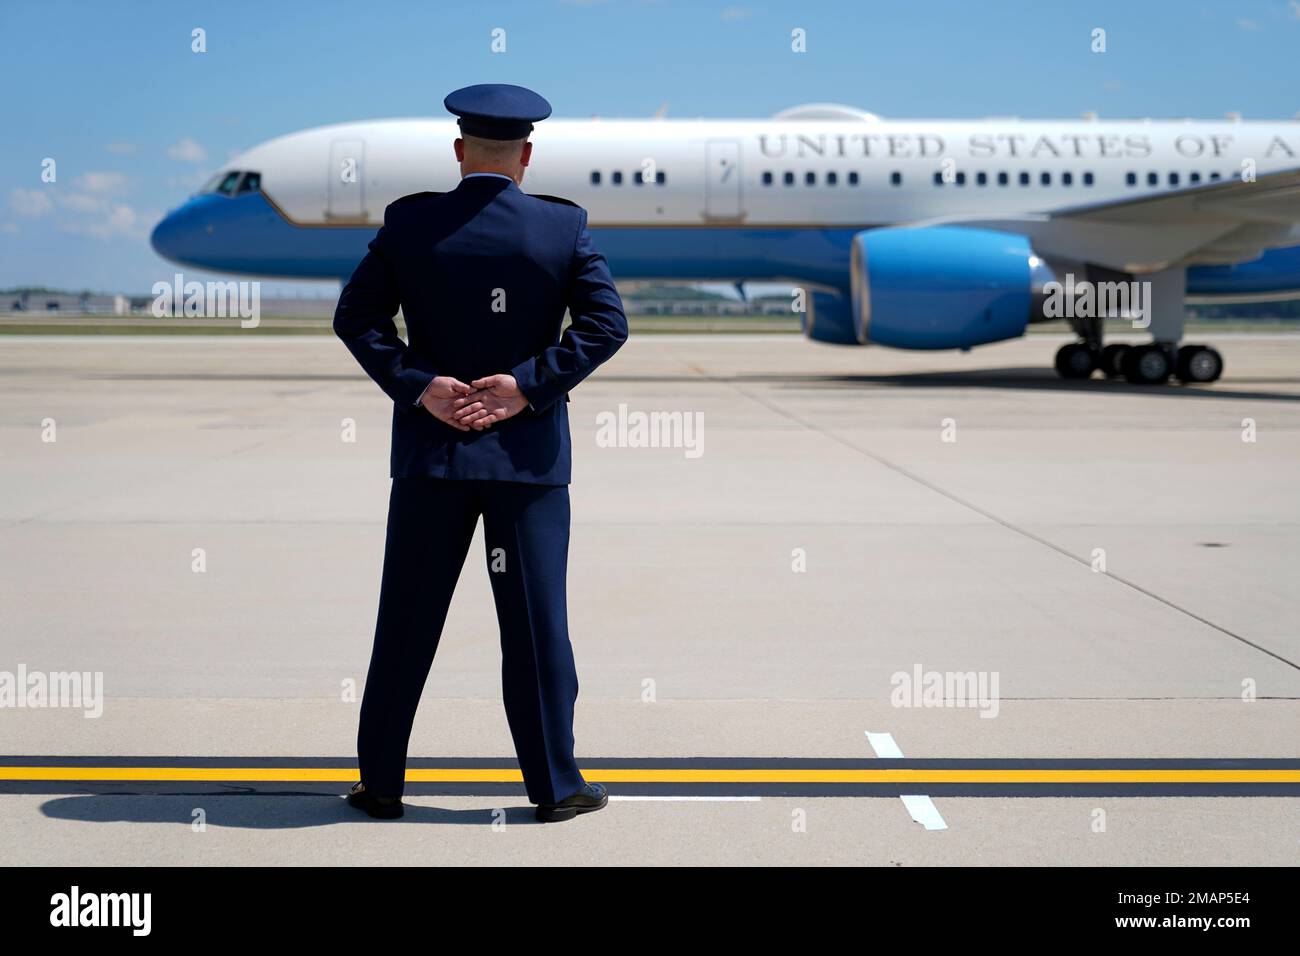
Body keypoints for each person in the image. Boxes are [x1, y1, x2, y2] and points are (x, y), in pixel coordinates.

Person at [332, 83, 628, 822]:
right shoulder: (562, 228)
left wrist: (421, 385)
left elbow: (356, 317)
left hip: (432, 459)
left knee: (406, 623)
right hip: (525, 465)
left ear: (460, 151)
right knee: (535, 628)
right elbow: (606, 326)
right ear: (526, 155)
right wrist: (525, 388)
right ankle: (556, 789)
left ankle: (382, 787)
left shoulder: (410, 223)